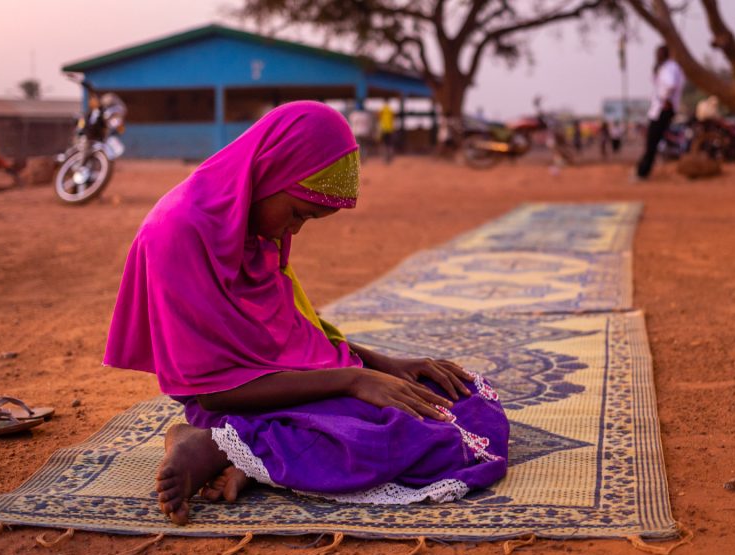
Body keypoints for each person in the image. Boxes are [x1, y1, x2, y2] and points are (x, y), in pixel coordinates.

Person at [103, 101, 509, 526]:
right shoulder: (176, 233)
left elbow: (292, 335)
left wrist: (381, 364)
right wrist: (354, 380)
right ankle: (214, 444)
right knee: (408, 439)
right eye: (298, 213)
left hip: (286, 384)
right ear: (271, 171)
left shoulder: (251, 217)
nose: (294, 230)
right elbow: (214, 392)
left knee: (463, 398)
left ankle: (248, 457)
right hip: (238, 399)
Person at [635, 44, 685, 181]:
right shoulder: (666, 67)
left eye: (659, 54)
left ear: (665, 54)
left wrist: (666, 99)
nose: (657, 57)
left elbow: (670, 84)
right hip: (660, 108)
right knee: (652, 140)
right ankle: (642, 169)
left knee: (652, 140)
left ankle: (643, 171)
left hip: (663, 108)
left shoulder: (670, 67)